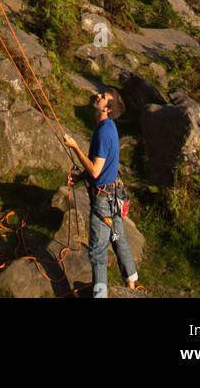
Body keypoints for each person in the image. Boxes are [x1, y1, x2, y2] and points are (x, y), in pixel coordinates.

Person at [64, 92, 142, 299]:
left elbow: (97, 171)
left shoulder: (104, 132)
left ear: (107, 109)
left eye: (103, 97)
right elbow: (101, 165)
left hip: (104, 200)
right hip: (112, 194)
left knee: (98, 253)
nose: (97, 96)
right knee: (117, 238)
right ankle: (131, 282)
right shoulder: (107, 127)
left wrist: (75, 147)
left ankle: (99, 295)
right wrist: (81, 177)